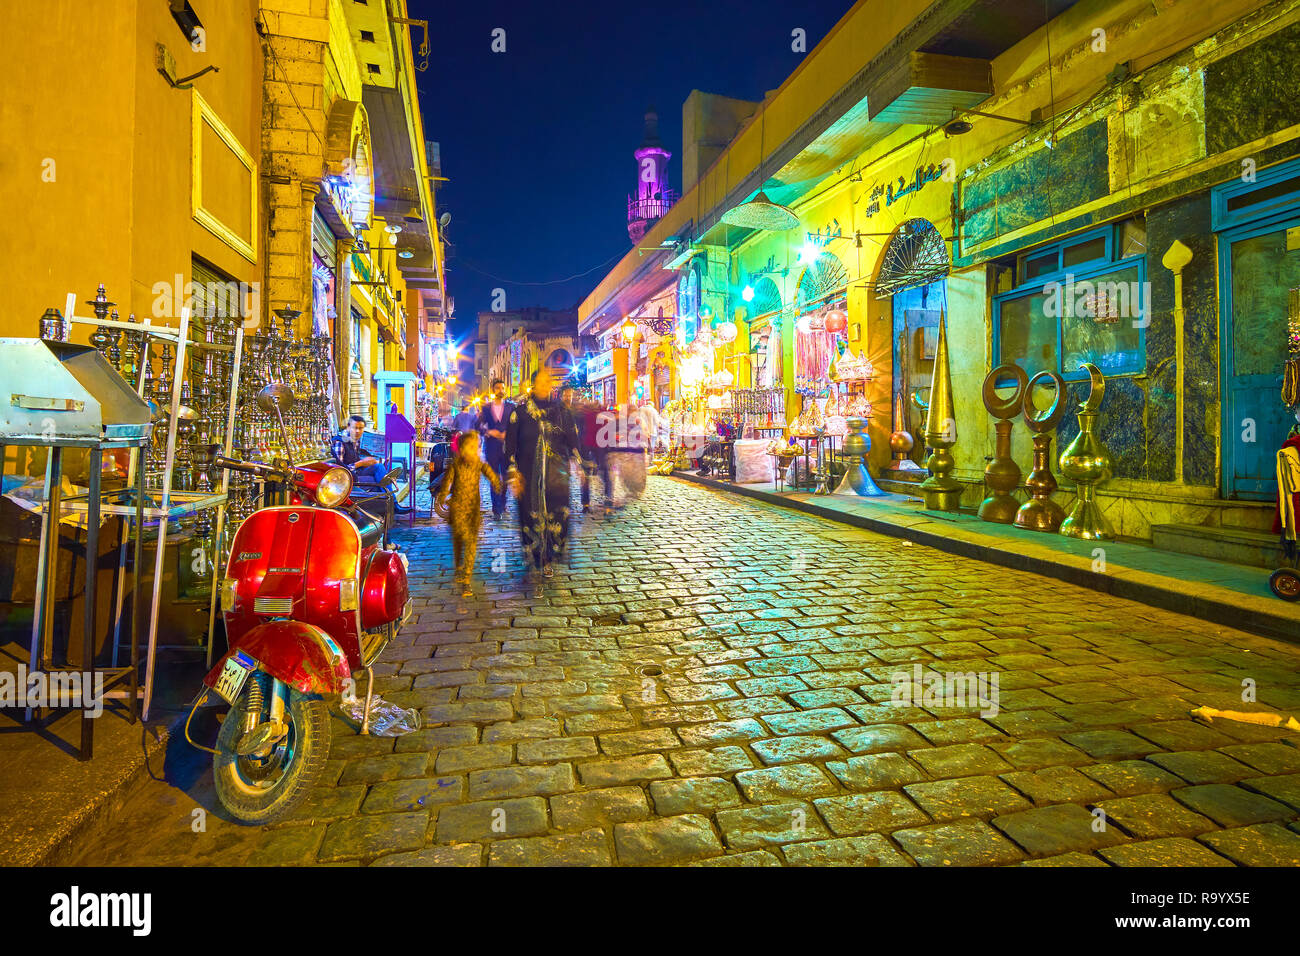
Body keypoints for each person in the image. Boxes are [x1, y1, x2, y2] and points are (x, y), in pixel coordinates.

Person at [506, 367, 581, 578]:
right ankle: (538, 557)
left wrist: (579, 464)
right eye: (540, 381)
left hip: (556, 478)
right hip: (528, 476)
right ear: (533, 385)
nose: (545, 385)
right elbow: (510, 447)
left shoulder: (562, 412)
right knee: (531, 517)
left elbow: (573, 441)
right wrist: (513, 473)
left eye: (548, 382)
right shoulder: (519, 414)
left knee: (557, 516)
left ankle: (549, 557)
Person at [435, 430, 503, 598]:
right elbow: (447, 482)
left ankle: (466, 578)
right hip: (458, 509)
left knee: (471, 543)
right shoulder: (455, 465)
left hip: (473, 510)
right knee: (458, 540)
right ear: (463, 448)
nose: (476, 450)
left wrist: (496, 483)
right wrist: (442, 497)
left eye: (477, 447)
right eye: (473, 447)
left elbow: (491, 475)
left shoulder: (479, 464)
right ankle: (459, 567)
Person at [331, 414, 411, 514]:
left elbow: (354, 459)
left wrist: (368, 462)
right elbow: (338, 469)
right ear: (348, 427)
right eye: (355, 428)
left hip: (357, 473)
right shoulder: (340, 442)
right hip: (346, 479)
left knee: (379, 468)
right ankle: (392, 506)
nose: (357, 431)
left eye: (360, 428)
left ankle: (390, 507)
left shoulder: (355, 440)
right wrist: (360, 463)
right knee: (379, 483)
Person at [478, 379, 512, 520]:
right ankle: (496, 509)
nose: (500, 390)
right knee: (494, 478)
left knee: (505, 478)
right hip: (491, 447)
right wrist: (488, 432)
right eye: (497, 388)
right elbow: (478, 425)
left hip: (506, 448)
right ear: (493, 390)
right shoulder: (486, 408)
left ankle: (503, 503)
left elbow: (515, 425)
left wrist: (508, 434)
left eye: (502, 388)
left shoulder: (511, 408)